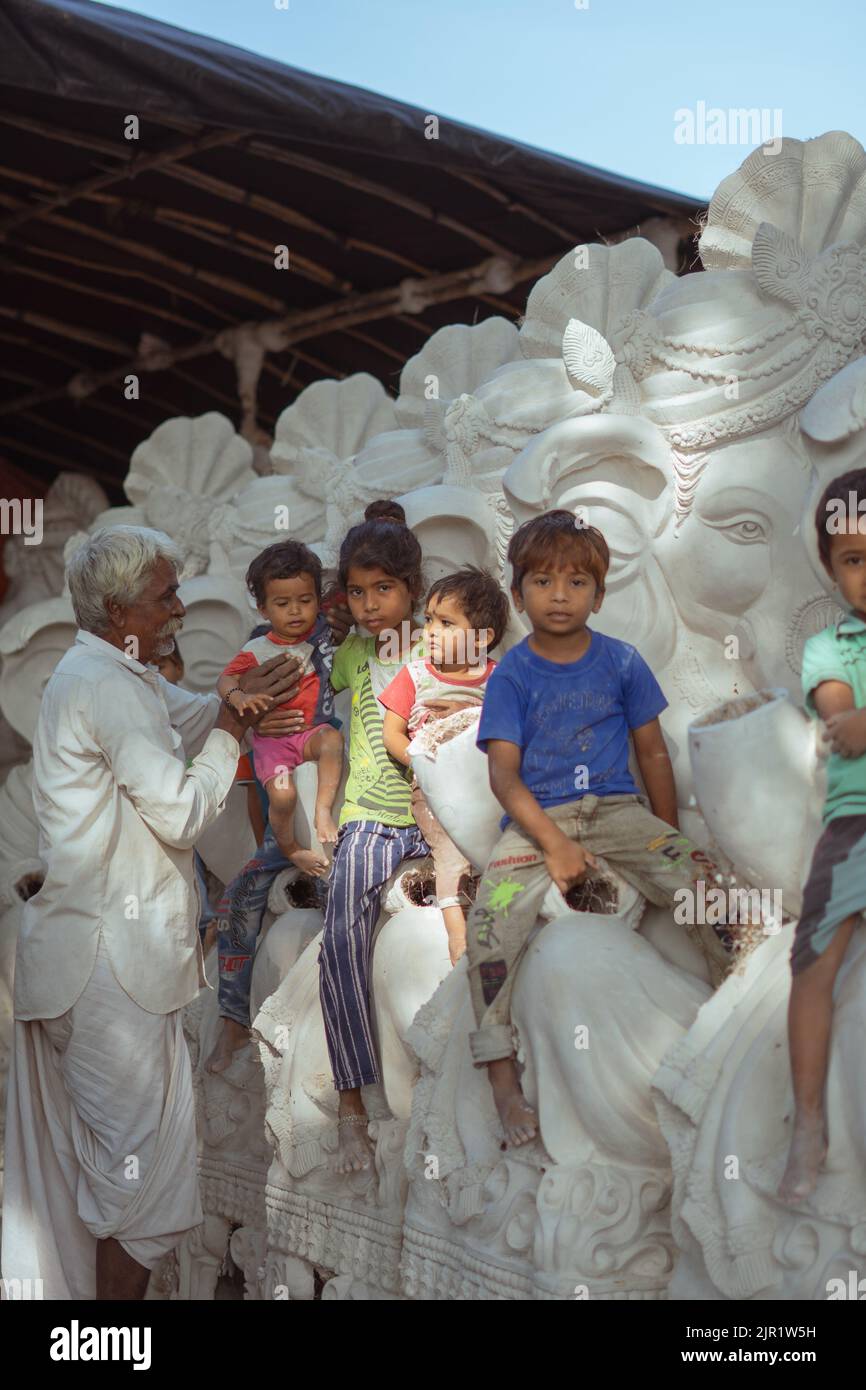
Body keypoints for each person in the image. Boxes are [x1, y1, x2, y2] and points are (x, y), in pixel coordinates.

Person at [0, 525, 302, 1300]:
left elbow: (194, 714)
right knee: (135, 1200)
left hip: (110, 966)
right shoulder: (103, 683)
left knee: (130, 1185)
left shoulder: (117, 671)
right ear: (118, 609)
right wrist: (234, 733)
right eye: (164, 594)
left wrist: (237, 703)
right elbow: (182, 811)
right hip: (105, 971)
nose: (177, 609)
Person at [465, 509, 756, 1148]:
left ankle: (737, 1009)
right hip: (537, 820)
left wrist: (664, 834)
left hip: (619, 811)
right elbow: (504, 780)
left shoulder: (622, 663)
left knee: (703, 883)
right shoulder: (512, 675)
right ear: (518, 594)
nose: (559, 595)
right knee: (490, 927)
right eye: (542, 581)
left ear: (599, 593)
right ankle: (501, 1076)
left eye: (575, 582)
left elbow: (652, 753)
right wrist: (554, 844)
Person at [319, 500, 432, 1175]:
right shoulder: (351, 651)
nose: (368, 604)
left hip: (427, 817)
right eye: (357, 591)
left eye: (383, 589)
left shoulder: (437, 645)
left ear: (413, 589)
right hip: (366, 817)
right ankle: (351, 1101)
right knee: (340, 938)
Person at [779, 468, 866, 1201]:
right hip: (855, 823)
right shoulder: (830, 647)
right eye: (853, 559)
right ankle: (806, 1121)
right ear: (832, 569)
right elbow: (846, 729)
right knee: (813, 964)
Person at [379, 566, 509, 964]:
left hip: (493, 786)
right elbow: (392, 734)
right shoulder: (415, 676)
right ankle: (458, 936)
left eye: (446, 623)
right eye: (429, 620)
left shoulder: (500, 679)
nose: (431, 631)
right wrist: (422, 762)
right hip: (439, 790)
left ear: (482, 638)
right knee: (452, 849)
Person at [218, 540, 343, 876]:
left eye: (305, 601)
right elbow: (226, 679)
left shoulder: (323, 637)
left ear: (318, 600)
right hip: (274, 744)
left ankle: (323, 811)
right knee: (283, 797)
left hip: (311, 732)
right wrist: (238, 698)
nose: (295, 611)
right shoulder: (257, 649)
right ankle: (290, 849)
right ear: (263, 609)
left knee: (332, 740)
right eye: (282, 603)